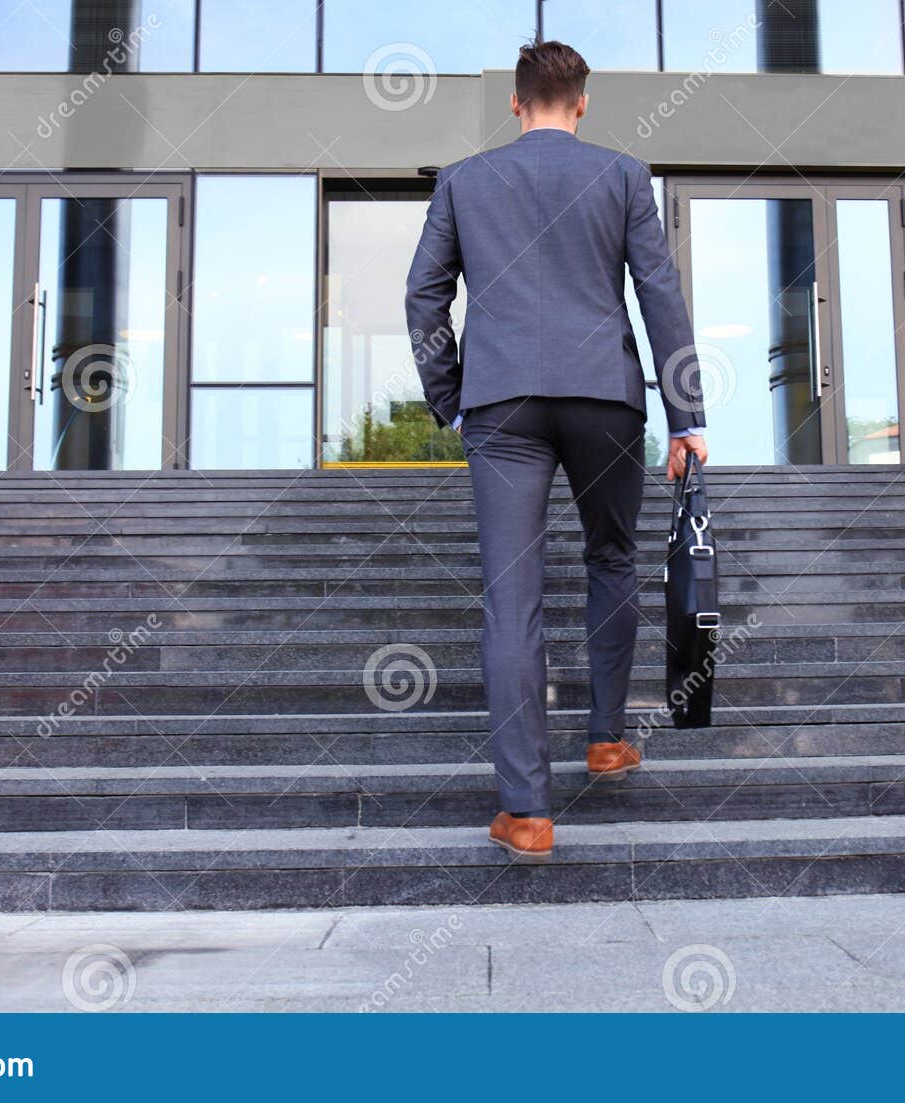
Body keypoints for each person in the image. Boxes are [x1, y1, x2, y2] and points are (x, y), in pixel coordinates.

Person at [405, 40, 708, 862]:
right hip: (605, 397)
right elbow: (659, 294)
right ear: (581, 102)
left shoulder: (466, 180)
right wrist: (687, 416)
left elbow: (423, 292)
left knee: (513, 597)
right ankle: (607, 738)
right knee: (612, 556)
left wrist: (450, 395)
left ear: (515, 103)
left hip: (501, 402)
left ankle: (528, 812)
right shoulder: (621, 175)